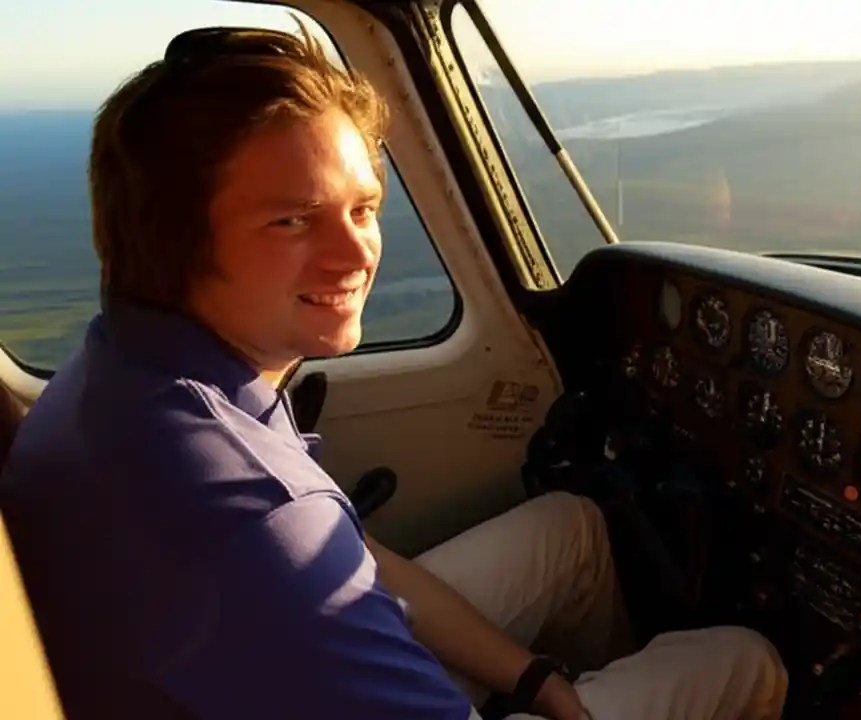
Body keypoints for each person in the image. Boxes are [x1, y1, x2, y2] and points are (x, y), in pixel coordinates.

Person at [0, 23, 788, 720]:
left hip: (239, 663)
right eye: (293, 219)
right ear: (171, 242)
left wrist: (544, 685)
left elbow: (352, 555)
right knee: (741, 659)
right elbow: (287, 543)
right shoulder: (253, 512)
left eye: (363, 208)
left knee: (574, 532)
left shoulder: (126, 366)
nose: (355, 256)